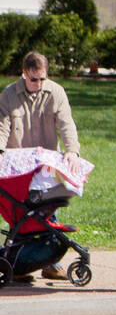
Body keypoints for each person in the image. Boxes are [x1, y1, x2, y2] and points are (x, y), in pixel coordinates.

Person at [0, 51, 81, 280]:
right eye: (33, 78)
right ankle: (18, 264)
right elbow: (2, 126)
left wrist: (72, 151)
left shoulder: (56, 92)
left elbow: (66, 124)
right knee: (20, 212)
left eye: (42, 78)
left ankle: (51, 263)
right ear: (23, 73)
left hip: (47, 162)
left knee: (48, 208)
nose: (38, 83)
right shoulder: (9, 95)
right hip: (19, 164)